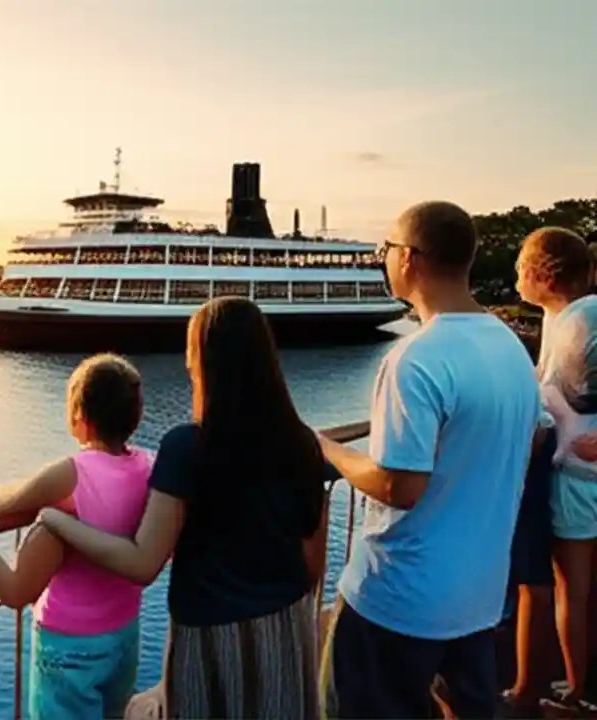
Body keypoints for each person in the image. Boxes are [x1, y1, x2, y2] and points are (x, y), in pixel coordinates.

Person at [40, 297, 332, 719]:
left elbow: (142, 562)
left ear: (206, 362)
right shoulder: (302, 442)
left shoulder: (187, 447)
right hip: (286, 635)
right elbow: (312, 564)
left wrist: (56, 521)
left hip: (211, 643)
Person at [317, 201, 540, 718]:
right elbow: (528, 443)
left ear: (411, 259)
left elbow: (401, 486)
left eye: (387, 249)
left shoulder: (417, 358)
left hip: (399, 598)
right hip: (478, 595)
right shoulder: (510, 347)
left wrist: (329, 450)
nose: (384, 258)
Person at [0, 353, 152, 720]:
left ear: (79, 419)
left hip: (68, 647)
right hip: (123, 635)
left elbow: (13, 580)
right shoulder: (149, 466)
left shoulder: (72, 473)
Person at [515, 226, 597, 712]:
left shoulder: (579, 321)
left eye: (522, 265)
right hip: (581, 470)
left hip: (577, 476)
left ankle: (576, 691)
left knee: (573, 589)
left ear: (543, 274)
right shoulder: (569, 319)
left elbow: (550, 408)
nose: (516, 275)